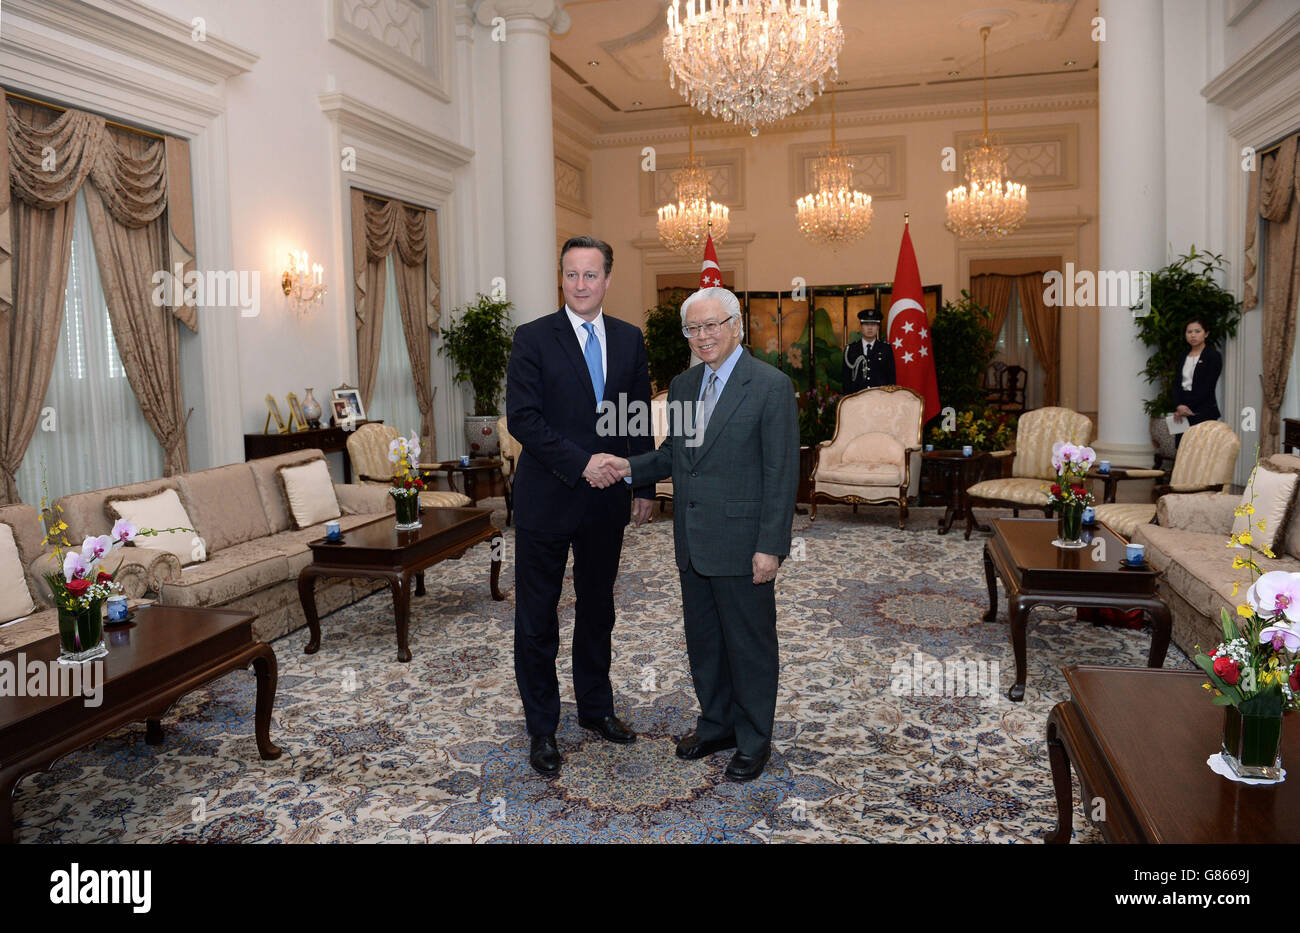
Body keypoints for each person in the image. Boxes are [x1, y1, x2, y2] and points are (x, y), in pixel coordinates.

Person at [592, 286, 798, 782]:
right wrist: (626, 467)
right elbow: (673, 457)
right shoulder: (684, 386)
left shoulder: (769, 386)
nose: (703, 336)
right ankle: (717, 725)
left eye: (713, 325)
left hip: (744, 543)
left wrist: (770, 546)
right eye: (694, 328)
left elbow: (781, 473)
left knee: (749, 646)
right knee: (705, 643)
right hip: (693, 540)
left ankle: (753, 739)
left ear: (736, 325)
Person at [505, 235, 655, 776]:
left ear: (608, 280)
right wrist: (582, 462)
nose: (581, 284)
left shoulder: (628, 338)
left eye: (591, 275)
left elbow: (635, 416)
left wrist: (642, 486)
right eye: (572, 274)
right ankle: (542, 729)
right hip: (547, 496)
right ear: (561, 278)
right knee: (537, 619)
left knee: (598, 611)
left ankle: (596, 710)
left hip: (604, 503)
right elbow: (524, 419)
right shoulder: (531, 338)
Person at [1170, 317, 1222, 447]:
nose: (1193, 335)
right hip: (1182, 411)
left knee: (1200, 452)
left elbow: (1208, 386)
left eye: (1197, 331)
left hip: (1202, 410)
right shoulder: (1183, 356)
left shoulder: (1213, 356)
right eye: (1189, 332)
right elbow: (1176, 383)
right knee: (1182, 451)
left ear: (1206, 333)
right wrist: (1179, 406)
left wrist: (1188, 406)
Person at [841, 307, 896, 394]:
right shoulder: (851, 349)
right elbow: (846, 380)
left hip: (880, 399)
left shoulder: (886, 349)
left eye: (873, 325)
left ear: (878, 327)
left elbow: (891, 379)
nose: (870, 328)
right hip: (857, 400)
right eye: (866, 324)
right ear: (861, 326)